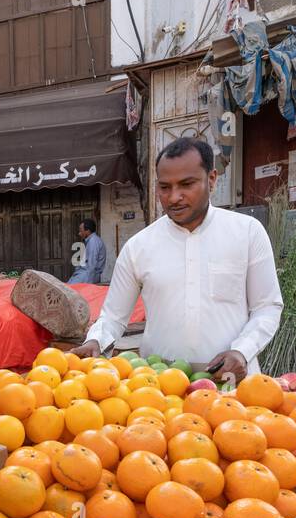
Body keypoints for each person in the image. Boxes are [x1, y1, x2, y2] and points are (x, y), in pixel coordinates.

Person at [69, 137, 282, 382]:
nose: (173, 197)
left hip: (234, 384)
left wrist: (242, 351)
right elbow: (113, 317)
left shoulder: (247, 233)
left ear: (211, 179)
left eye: (186, 184)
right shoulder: (139, 247)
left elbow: (267, 307)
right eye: (165, 187)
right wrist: (96, 340)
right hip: (159, 388)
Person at [68, 218, 106, 285]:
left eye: (81, 230)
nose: (79, 233)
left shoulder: (93, 241)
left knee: (68, 290)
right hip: (83, 274)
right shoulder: (91, 241)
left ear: (87, 231)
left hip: (86, 276)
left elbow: (91, 267)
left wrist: (87, 285)